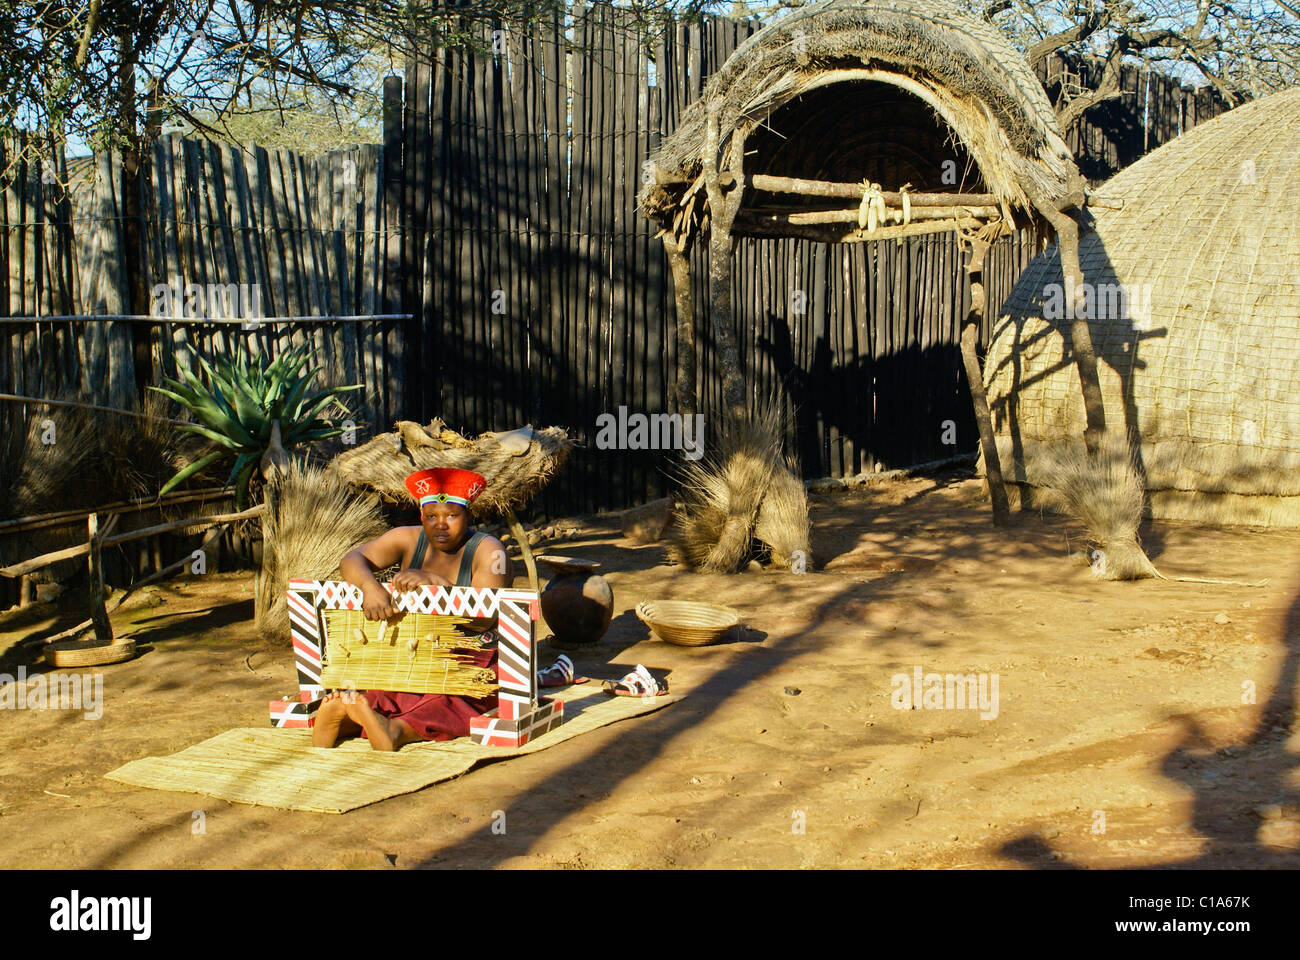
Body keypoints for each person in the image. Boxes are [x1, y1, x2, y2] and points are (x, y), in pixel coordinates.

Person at [312, 467, 509, 751]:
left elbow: (483, 617)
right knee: (388, 687)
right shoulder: (405, 538)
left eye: (451, 516)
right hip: (412, 651)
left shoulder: (491, 551)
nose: (441, 524)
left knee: (453, 698)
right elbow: (352, 559)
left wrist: (435, 583)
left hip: (470, 656)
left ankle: (395, 731)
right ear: (421, 517)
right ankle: (345, 719)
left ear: (468, 517)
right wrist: (370, 587)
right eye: (432, 516)